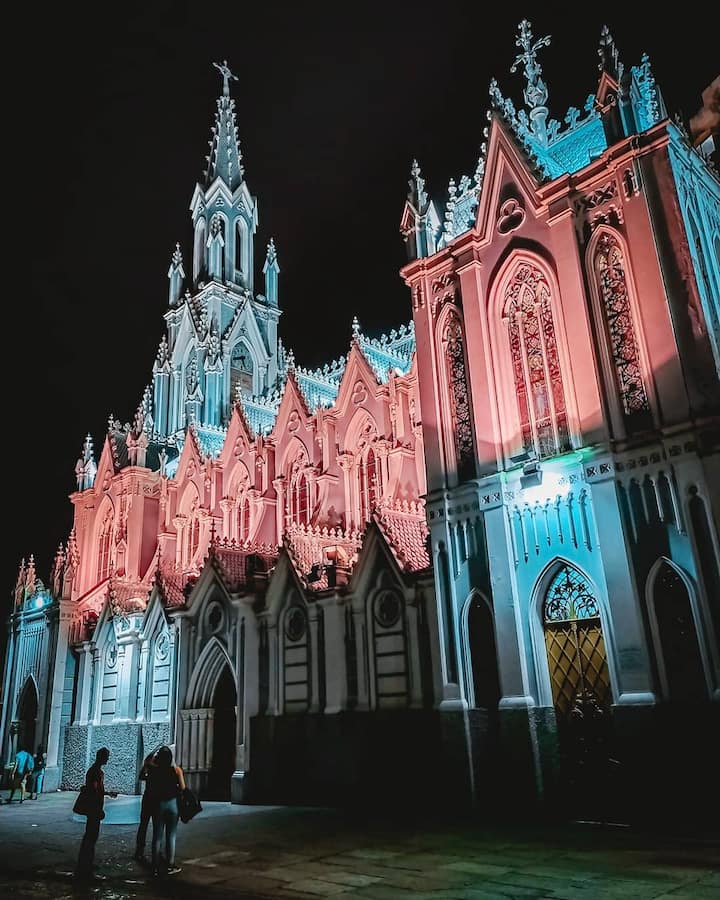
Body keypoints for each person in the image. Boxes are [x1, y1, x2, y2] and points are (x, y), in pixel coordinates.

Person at [75, 747, 117, 882]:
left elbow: (96, 790)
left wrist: (107, 793)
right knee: (91, 837)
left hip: (94, 808)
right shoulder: (96, 772)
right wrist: (98, 809)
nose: (108, 759)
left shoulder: (96, 771)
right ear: (102, 757)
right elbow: (94, 791)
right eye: (107, 756)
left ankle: (86, 864)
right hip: (94, 808)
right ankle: (85, 866)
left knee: (91, 836)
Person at [145, 745, 185, 877]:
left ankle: (155, 866)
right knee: (171, 835)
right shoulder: (176, 770)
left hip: (158, 804)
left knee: (157, 836)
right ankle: (170, 864)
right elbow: (183, 788)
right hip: (172, 804)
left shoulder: (154, 770)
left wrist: (152, 756)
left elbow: (147, 764)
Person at [133, 748, 158, 863]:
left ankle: (139, 851)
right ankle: (156, 852)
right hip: (155, 800)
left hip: (147, 799)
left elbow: (141, 777)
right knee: (157, 827)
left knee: (143, 825)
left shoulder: (150, 769)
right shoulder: (159, 769)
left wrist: (146, 765)